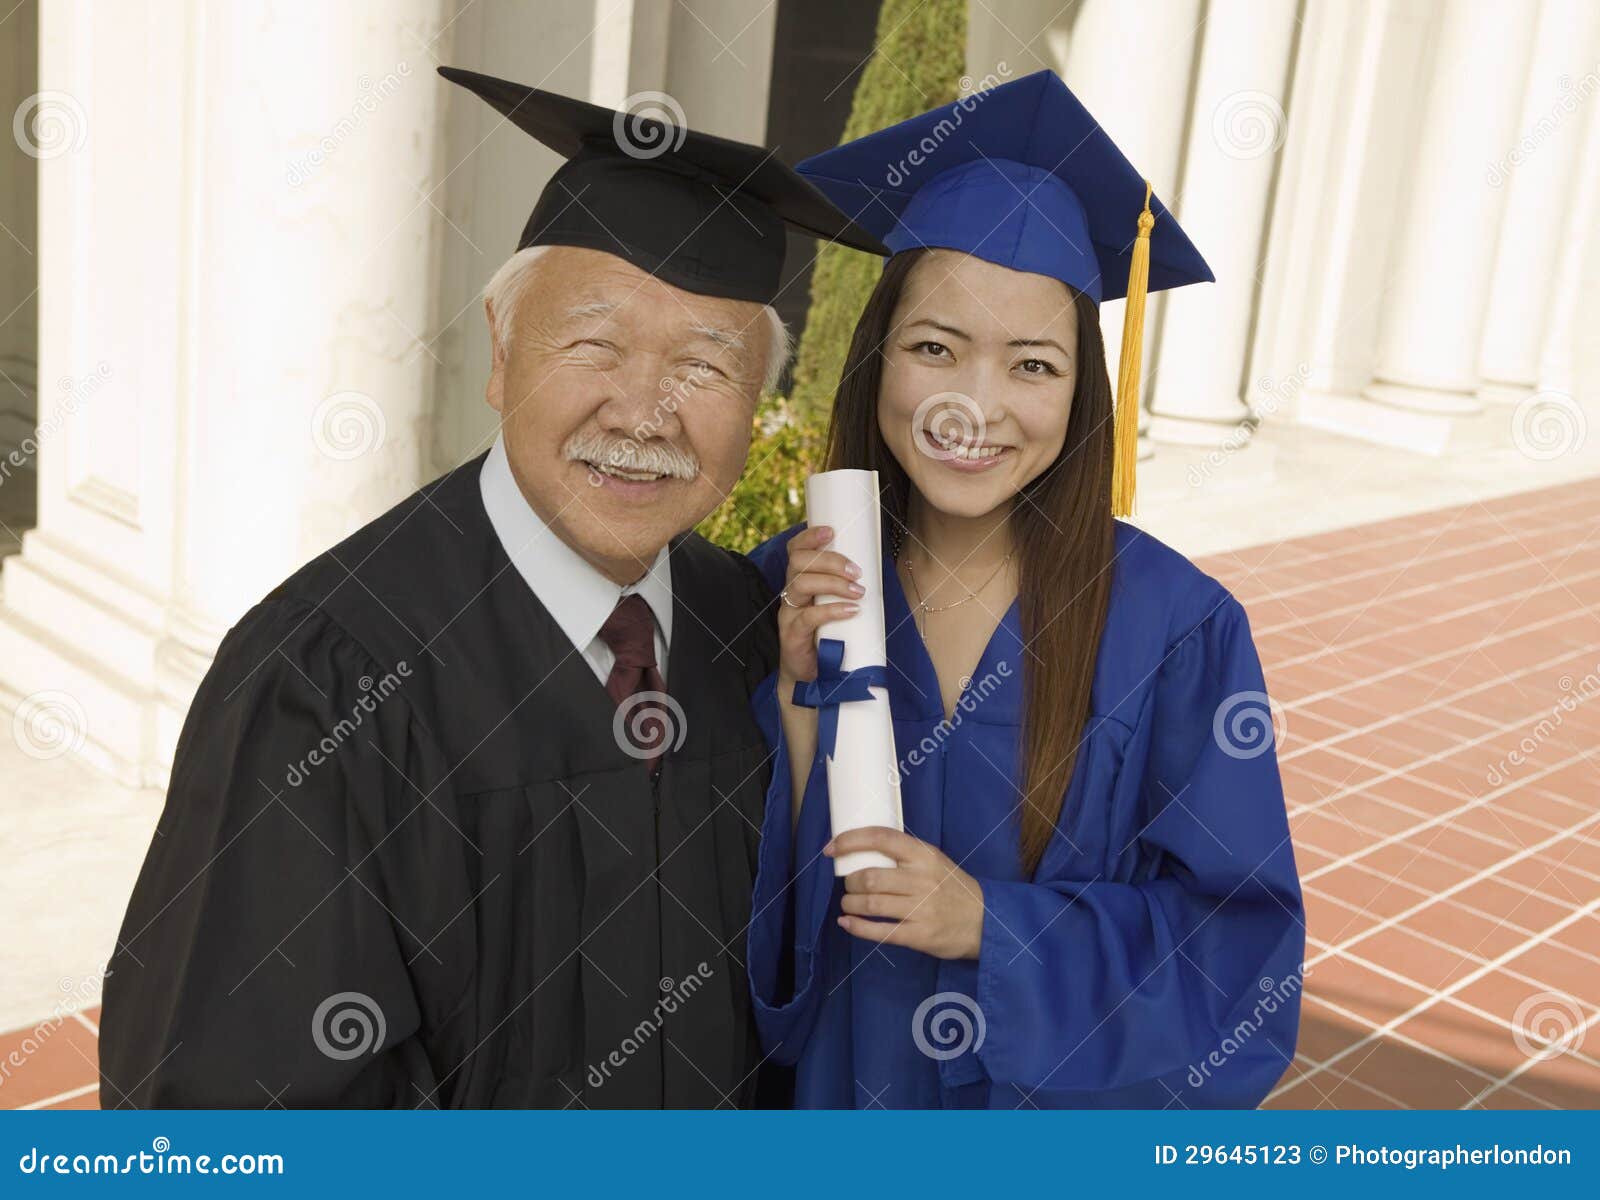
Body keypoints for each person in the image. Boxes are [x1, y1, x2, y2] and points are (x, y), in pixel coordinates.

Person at [98, 67, 884, 1109]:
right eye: (594, 343)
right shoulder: (327, 680)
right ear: (503, 352)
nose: (645, 414)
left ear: (754, 403)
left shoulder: (741, 622)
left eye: (705, 369)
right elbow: (232, 1104)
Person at [745, 70, 1304, 1109]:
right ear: (877, 363)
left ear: (1080, 389)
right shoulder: (790, 585)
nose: (974, 407)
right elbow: (703, 904)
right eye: (933, 349)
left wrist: (992, 930)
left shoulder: (1178, 629)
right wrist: (793, 707)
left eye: (1032, 366)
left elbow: (1240, 960)